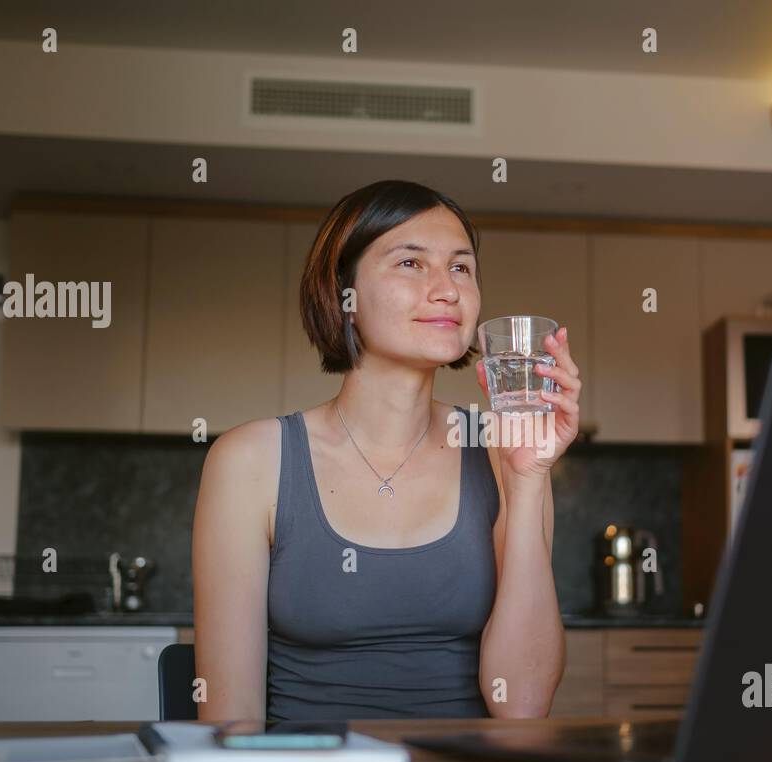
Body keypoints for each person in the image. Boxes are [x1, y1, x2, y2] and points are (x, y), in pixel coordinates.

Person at [192, 180, 582, 721]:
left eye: (461, 268)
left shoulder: (502, 451)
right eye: (410, 264)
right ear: (341, 293)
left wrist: (529, 479)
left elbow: (523, 707)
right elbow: (230, 725)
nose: (447, 289)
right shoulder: (250, 461)